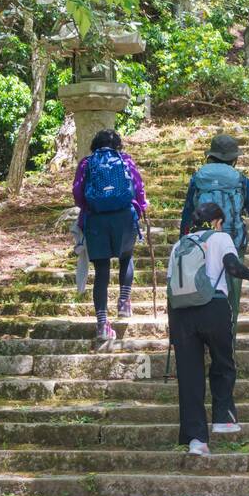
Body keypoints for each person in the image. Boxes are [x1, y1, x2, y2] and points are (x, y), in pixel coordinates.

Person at [168, 201, 249, 456]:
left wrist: (173, 333)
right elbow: (233, 267)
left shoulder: (179, 245)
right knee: (223, 362)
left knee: (190, 379)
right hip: (213, 308)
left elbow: (171, 289)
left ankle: (196, 441)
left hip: (181, 316)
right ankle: (223, 417)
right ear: (217, 221)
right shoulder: (221, 238)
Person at [178, 134, 249, 326]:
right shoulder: (240, 179)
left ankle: (202, 343)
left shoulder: (198, 177)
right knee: (231, 297)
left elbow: (187, 212)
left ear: (211, 155)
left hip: (201, 245)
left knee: (202, 292)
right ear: (233, 158)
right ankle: (228, 347)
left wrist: (184, 240)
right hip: (233, 244)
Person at [72, 128, 148, 342]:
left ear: (95, 144)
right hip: (124, 216)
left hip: (96, 219)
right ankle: (124, 302)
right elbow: (138, 187)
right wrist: (141, 207)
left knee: (102, 271)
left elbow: (78, 195)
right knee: (126, 256)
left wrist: (93, 204)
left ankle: (102, 325)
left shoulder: (87, 163)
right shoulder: (125, 160)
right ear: (117, 145)